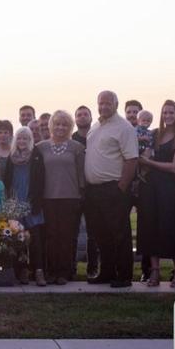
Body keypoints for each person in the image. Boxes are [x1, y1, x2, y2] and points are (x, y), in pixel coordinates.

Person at [85, 90, 138, 288]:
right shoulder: (96, 126)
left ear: (116, 104)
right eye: (101, 103)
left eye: (108, 103)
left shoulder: (124, 128)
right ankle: (106, 272)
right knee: (101, 235)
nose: (104, 106)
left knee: (119, 234)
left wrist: (122, 186)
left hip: (113, 189)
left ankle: (124, 275)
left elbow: (132, 159)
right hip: (94, 191)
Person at [138, 101, 175, 287]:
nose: (168, 116)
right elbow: (144, 154)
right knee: (150, 228)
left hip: (169, 189)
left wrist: (149, 164)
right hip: (150, 188)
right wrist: (143, 165)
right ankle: (155, 271)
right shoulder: (154, 133)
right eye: (165, 112)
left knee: (172, 230)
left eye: (171, 112)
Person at [30, 110, 85, 285]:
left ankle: (64, 272)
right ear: (51, 126)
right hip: (48, 198)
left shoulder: (77, 147)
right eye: (57, 124)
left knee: (67, 236)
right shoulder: (40, 147)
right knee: (51, 236)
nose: (61, 127)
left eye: (65, 125)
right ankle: (51, 271)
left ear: (70, 127)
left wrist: (82, 195)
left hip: (71, 198)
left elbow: (81, 174)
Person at [3, 127, 44, 285]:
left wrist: (36, 202)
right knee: (18, 238)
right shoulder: (11, 158)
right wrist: (8, 202)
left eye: (25, 139)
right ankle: (22, 270)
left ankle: (39, 270)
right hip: (15, 202)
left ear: (30, 140)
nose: (22, 141)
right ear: (15, 140)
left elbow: (41, 181)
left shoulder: (36, 156)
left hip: (31, 200)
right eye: (19, 138)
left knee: (35, 239)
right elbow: (7, 181)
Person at [72, 105, 99, 278]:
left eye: (85, 114)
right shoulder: (71, 139)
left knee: (94, 233)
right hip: (74, 191)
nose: (82, 117)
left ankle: (93, 267)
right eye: (79, 115)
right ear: (75, 119)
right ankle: (71, 267)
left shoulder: (97, 136)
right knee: (72, 232)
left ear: (90, 117)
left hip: (93, 190)